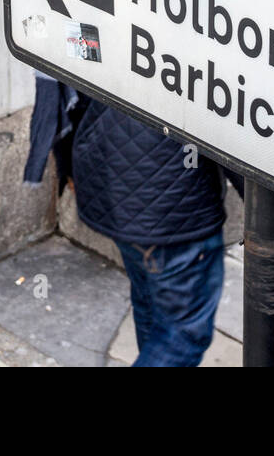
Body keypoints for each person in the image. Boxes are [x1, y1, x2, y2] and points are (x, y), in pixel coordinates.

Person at [24, 73, 238, 366]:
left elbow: (63, 76)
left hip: (110, 184)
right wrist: (266, 210)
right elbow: (233, 113)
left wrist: (70, 164)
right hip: (174, 207)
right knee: (183, 336)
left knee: (151, 307)